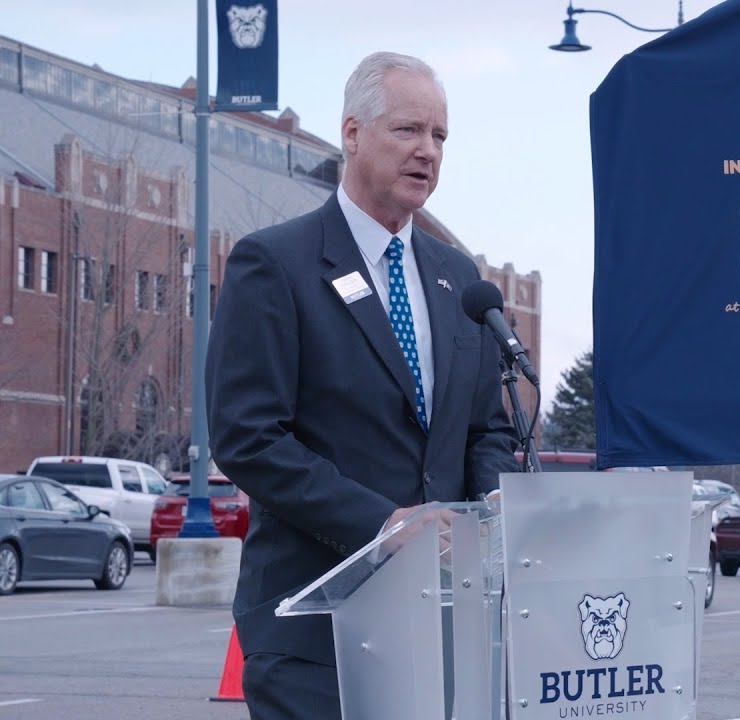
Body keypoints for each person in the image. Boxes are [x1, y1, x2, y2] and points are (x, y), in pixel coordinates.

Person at [206, 51, 520, 719]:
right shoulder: (276, 263)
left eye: (440, 137)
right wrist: (381, 526)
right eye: (408, 130)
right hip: (314, 638)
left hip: (442, 628)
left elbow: (485, 429)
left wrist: (492, 513)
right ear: (352, 133)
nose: (428, 152)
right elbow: (247, 436)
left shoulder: (457, 278)